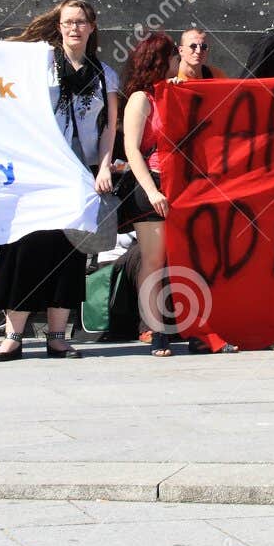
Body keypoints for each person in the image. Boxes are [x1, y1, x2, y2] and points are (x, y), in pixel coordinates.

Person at [0, 0, 120, 362]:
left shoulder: (104, 73)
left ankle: (58, 335)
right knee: (23, 246)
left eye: (81, 21)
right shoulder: (40, 64)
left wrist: (105, 166)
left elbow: (109, 125)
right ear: (58, 27)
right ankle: (13, 335)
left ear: (92, 27)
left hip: (78, 172)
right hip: (38, 168)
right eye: (67, 22)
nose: (74, 28)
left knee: (68, 252)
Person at [119, 32, 180, 356]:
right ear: (161, 59)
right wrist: (151, 189)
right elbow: (131, 148)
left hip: (176, 183)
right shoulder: (140, 99)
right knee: (154, 260)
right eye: (173, 55)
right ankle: (155, 328)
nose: (178, 61)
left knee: (173, 258)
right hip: (151, 184)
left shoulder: (172, 93)